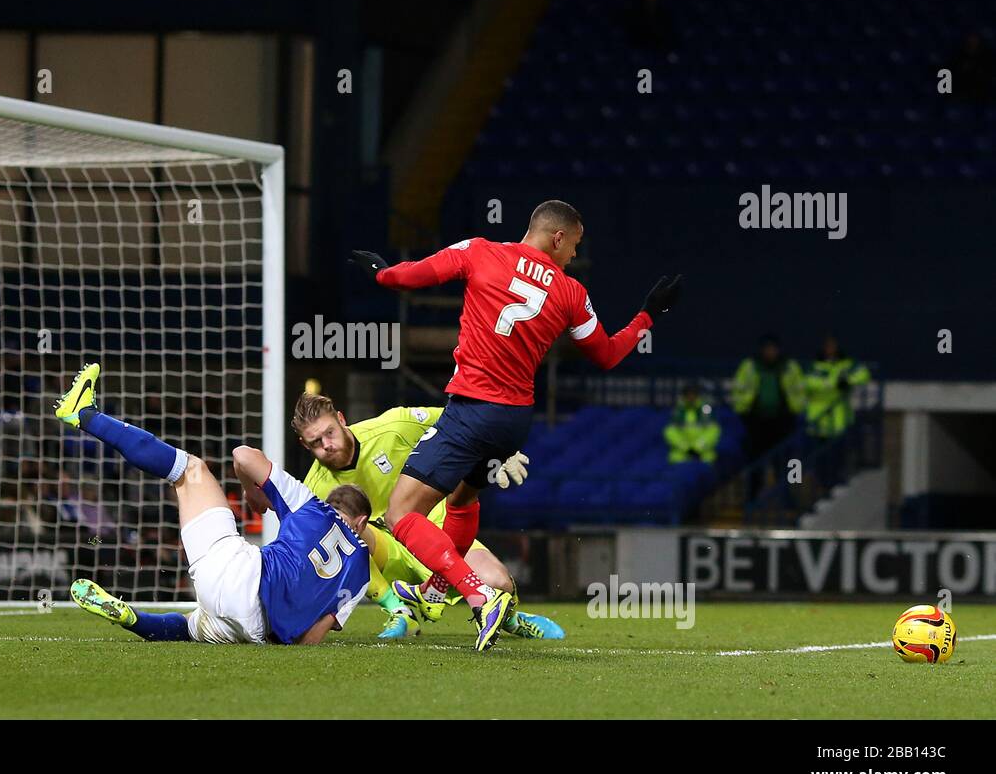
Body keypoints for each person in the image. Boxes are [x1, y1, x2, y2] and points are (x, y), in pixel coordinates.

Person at [352, 199, 682, 650]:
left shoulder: (481, 251)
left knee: (400, 511)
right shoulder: (571, 294)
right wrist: (648, 315)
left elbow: (411, 277)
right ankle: (435, 590)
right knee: (464, 499)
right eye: (574, 246)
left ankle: (477, 593)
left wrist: (380, 273)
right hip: (514, 422)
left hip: (472, 409)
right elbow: (605, 355)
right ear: (558, 236)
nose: (572, 257)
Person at [56, 363, 371, 645]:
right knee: (192, 627)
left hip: (242, 574)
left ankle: (85, 415)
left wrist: (253, 493)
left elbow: (243, 455)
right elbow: (312, 638)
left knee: (190, 470)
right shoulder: (361, 569)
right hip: (256, 628)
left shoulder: (312, 506)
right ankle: (134, 620)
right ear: (361, 522)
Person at [293, 391, 564, 640]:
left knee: (498, 582)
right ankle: (400, 612)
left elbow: (459, 424)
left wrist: (501, 452)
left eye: (329, 432)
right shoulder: (313, 490)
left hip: (435, 529)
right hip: (387, 552)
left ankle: (513, 619)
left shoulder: (394, 427)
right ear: (304, 446)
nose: (326, 445)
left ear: (341, 419)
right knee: (339, 526)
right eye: (315, 442)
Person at [731, 333, 804, 496]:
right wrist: (743, 410)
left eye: (773, 349)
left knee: (790, 461)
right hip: (756, 422)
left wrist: (795, 410)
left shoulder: (789, 366)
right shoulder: (749, 366)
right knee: (755, 461)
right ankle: (753, 496)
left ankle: (788, 495)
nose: (770, 352)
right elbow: (738, 389)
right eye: (767, 348)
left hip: (783, 421)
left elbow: (799, 390)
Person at [804, 335, 871, 439]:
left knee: (840, 449)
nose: (830, 349)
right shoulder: (815, 365)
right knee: (819, 450)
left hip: (841, 416)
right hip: (818, 417)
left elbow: (864, 374)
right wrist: (834, 383)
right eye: (828, 346)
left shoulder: (846, 363)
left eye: (833, 346)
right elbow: (809, 382)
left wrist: (848, 381)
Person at [664, 382, 720, 464]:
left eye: (693, 394)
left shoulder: (705, 409)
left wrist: (698, 447)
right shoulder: (678, 410)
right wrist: (685, 447)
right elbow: (670, 431)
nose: (691, 397)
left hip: (703, 455)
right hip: (681, 456)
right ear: (684, 396)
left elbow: (714, 430)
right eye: (688, 395)